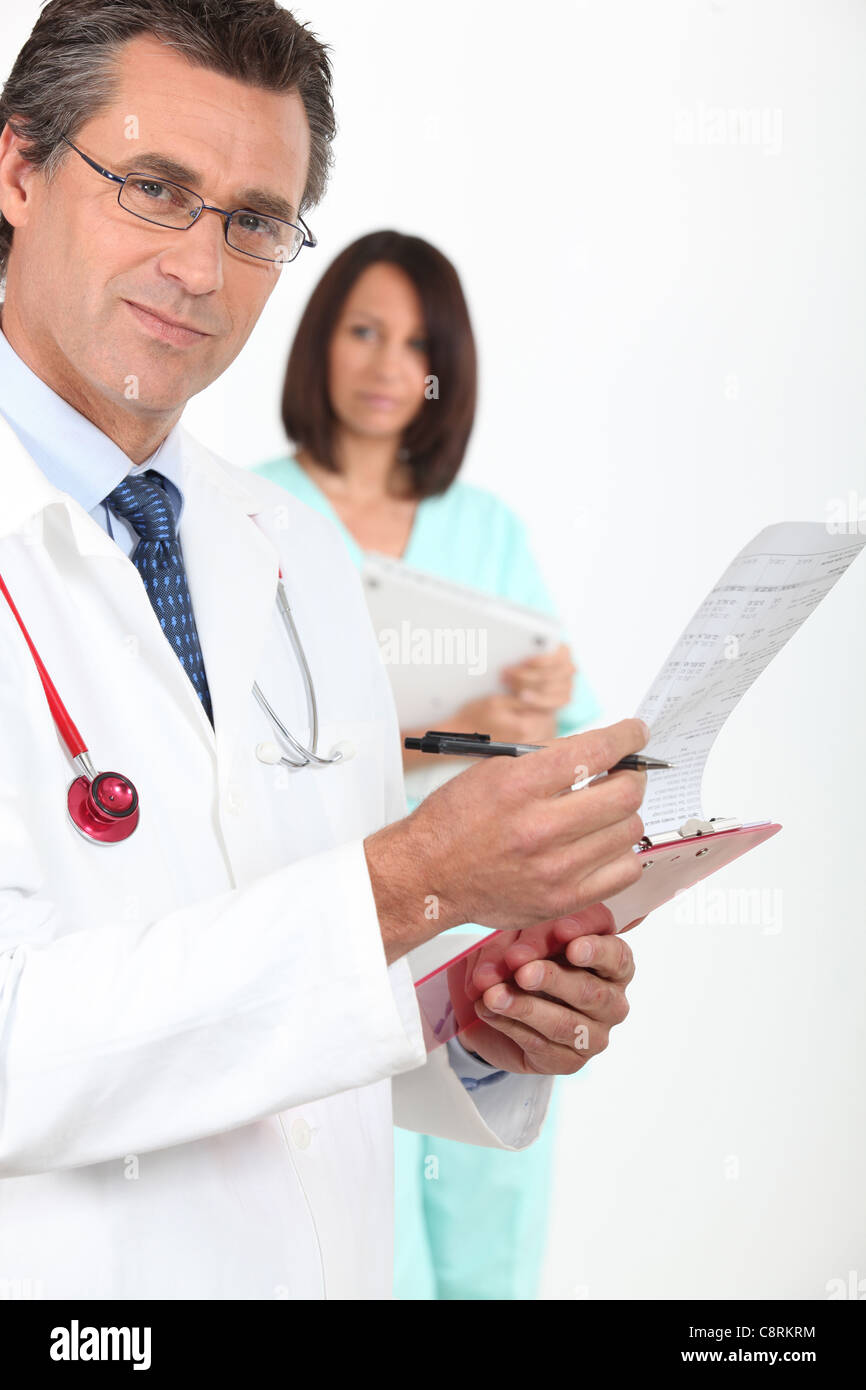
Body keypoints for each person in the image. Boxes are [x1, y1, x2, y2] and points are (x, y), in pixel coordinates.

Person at [0, 0, 648, 1300]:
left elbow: (306, 998)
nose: (200, 266)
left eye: (251, 220)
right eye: (153, 187)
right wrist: (413, 876)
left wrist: (473, 1017)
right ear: (17, 168)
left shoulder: (288, 547)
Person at [253, 231, 602, 1299]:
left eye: (415, 342)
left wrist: (536, 710)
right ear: (319, 343)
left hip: (488, 951)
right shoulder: (247, 511)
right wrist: (421, 739)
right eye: (361, 329)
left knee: (487, 1223)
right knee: (353, 1217)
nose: (384, 363)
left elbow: (574, 749)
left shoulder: (482, 528)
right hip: (334, 924)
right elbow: (239, 743)